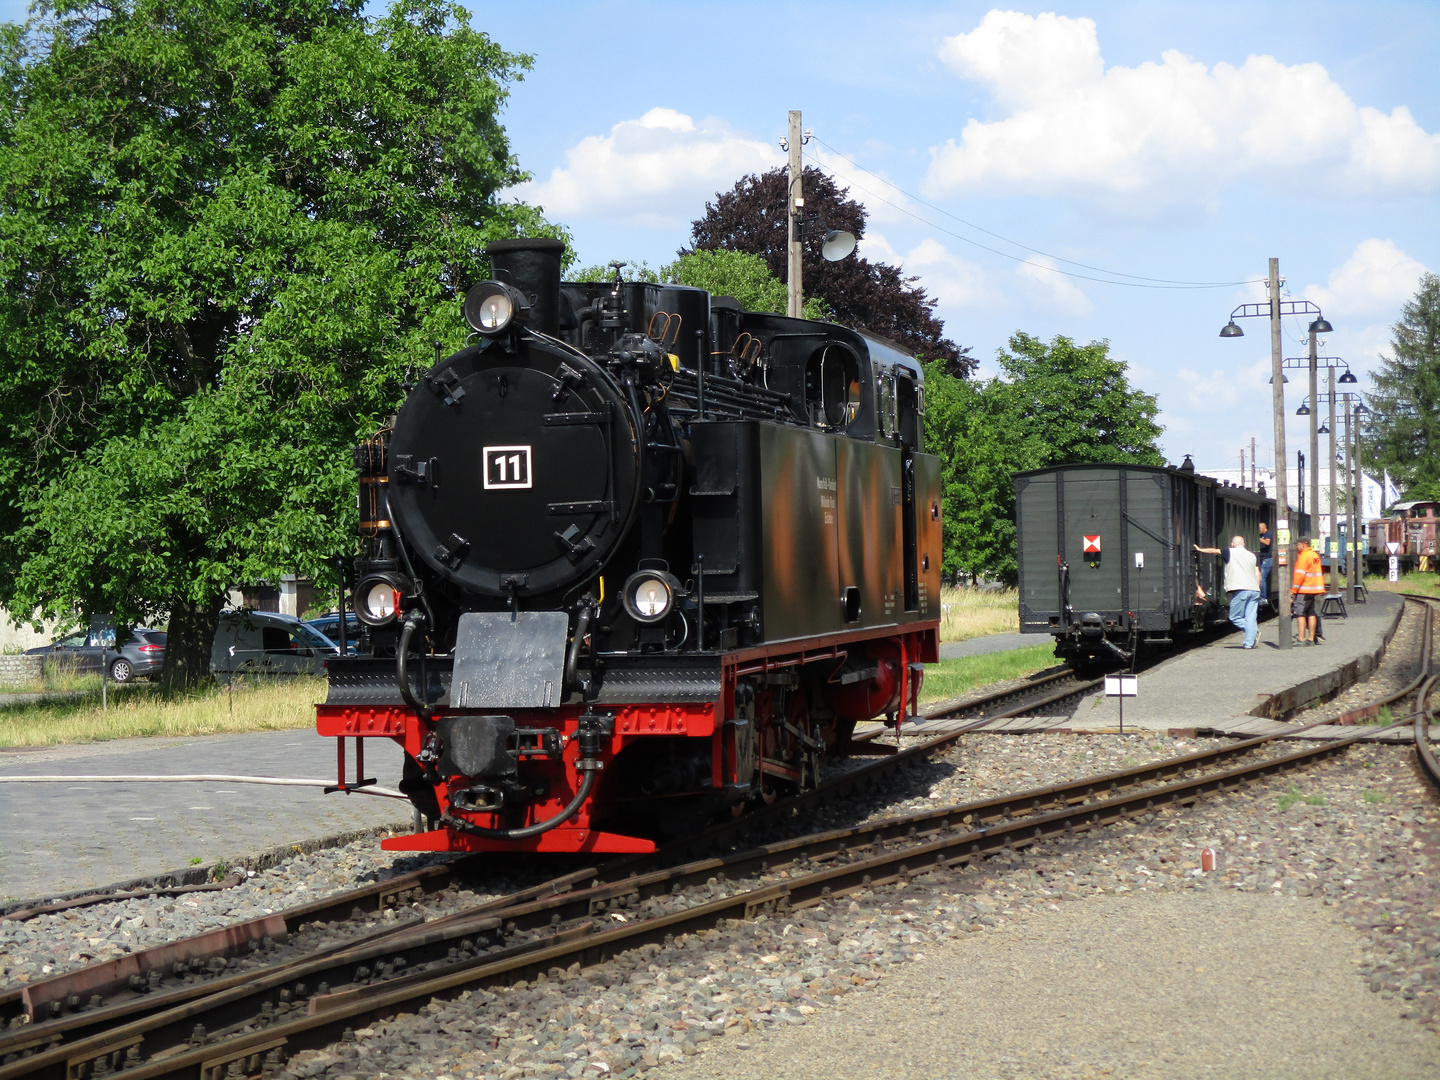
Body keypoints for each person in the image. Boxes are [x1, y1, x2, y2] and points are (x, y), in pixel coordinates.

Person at [1194, 536, 1262, 649]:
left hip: (1241, 589)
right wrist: (1257, 587)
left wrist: (1199, 549)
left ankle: (1252, 633)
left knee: (1234, 616)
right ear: (1244, 544)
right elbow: (1258, 573)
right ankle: (1249, 643)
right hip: (1254, 589)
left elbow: (1213, 551)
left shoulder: (1230, 552)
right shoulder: (1252, 555)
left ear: (1232, 544)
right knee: (1251, 617)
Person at [1291, 538, 1326, 645]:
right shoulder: (1315, 555)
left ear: (1303, 544)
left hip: (1304, 589)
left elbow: (1299, 575)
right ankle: (1311, 639)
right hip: (1314, 589)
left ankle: (1301, 639)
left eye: (1297, 544)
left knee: (1300, 614)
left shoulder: (1303, 556)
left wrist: (1293, 590)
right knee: (1311, 613)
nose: (1296, 547)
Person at [1257, 522, 1273, 604]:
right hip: (1262, 558)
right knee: (1259, 577)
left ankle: (1263, 597)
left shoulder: (1268, 534)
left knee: (1262, 578)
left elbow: (1267, 543)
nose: (1259, 529)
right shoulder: (1262, 535)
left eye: (1259, 528)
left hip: (1267, 559)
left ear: (1264, 527)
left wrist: (1259, 539)